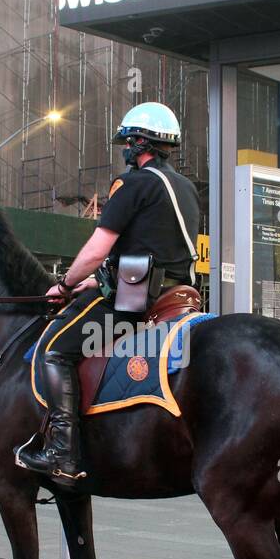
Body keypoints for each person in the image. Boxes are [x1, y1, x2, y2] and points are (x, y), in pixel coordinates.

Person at [15, 101, 200, 486]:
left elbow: (98, 249)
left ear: (138, 143)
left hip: (138, 299)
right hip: (181, 294)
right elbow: (150, 245)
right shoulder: (185, 187)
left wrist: (65, 284)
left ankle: (61, 453)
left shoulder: (133, 183)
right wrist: (93, 281)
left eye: (127, 143)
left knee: (55, 350)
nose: (125, 151)